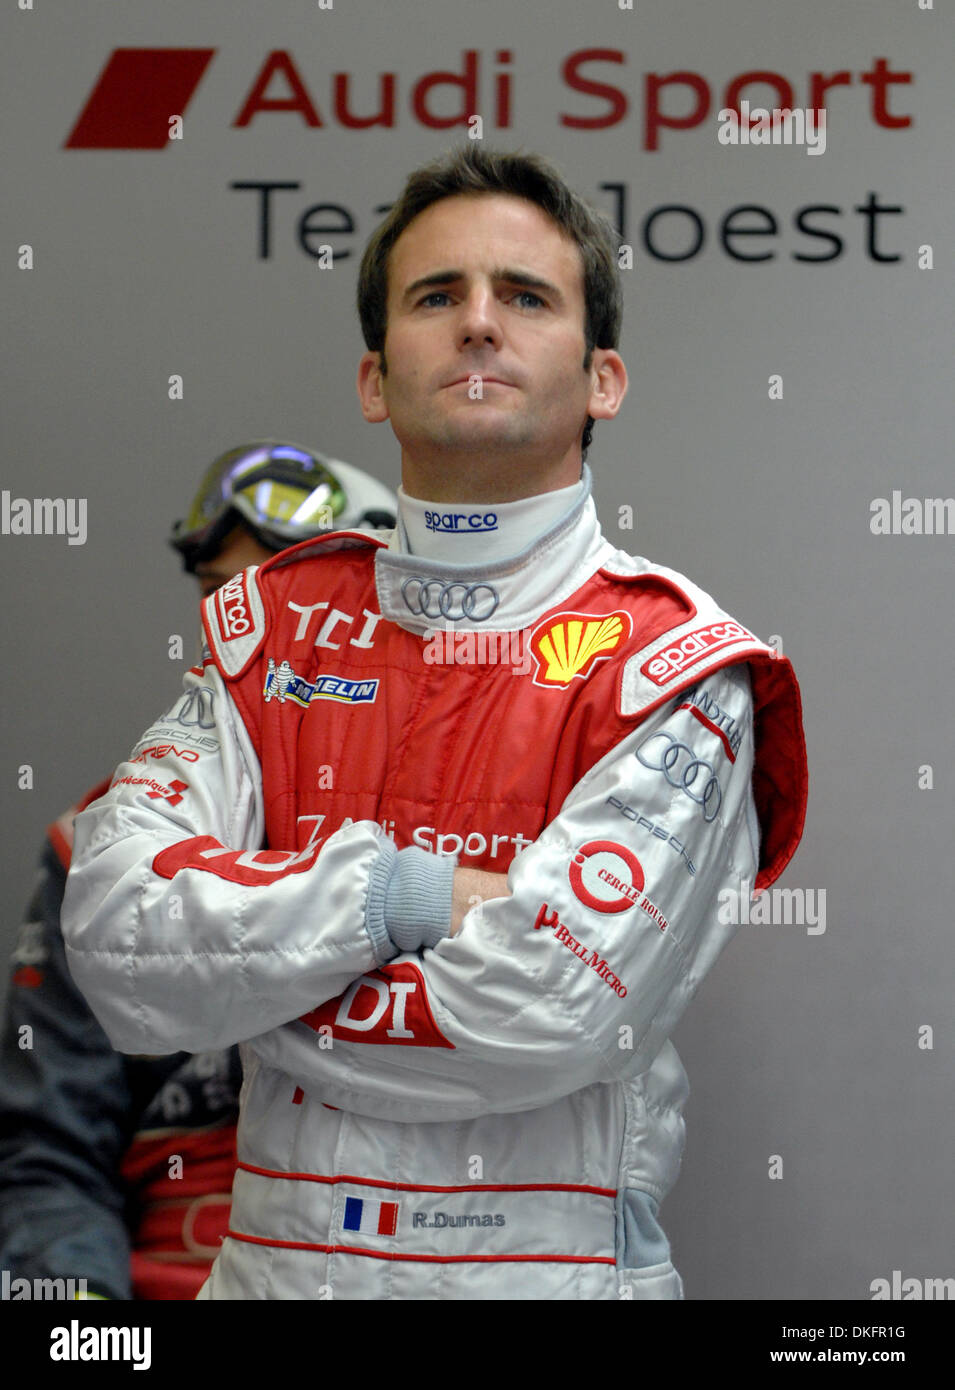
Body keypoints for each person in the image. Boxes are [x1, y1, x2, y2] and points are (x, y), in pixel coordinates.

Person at [63, 147, 808, 1301]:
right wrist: (399, 899)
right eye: (434, 295)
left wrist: (262, 986)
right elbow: (119, 949)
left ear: (603, 377)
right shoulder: (271, 629)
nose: (475, 324)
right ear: (374, 379)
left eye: (523, 295)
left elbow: (551, 1009)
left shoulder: (674, 660)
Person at [0, 442, 396, 1300]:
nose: (245, 632)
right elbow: (47, 1159)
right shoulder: (98, 851)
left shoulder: (455, 837)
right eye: (222, 598)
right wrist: (84, 1325)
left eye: (287, 600)